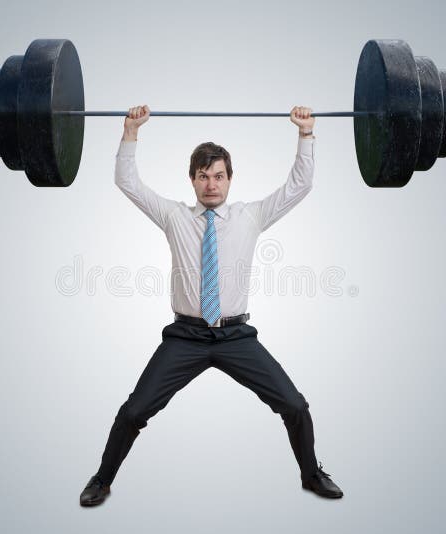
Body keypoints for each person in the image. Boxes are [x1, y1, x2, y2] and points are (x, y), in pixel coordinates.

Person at [79, 105, 343, 506]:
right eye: (203, 176)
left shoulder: (250, 216)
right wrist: (131, 131)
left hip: (236, 336)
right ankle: (102, 479)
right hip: (185, 336)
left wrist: (305, 134)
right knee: (133, 412)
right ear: (192, 180)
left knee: (294, 405)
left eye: (218, 176)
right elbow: (127, 181)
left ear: (230, 179)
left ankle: (312, 475)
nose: (211, 184)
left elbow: (299, 185)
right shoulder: (174, 217)